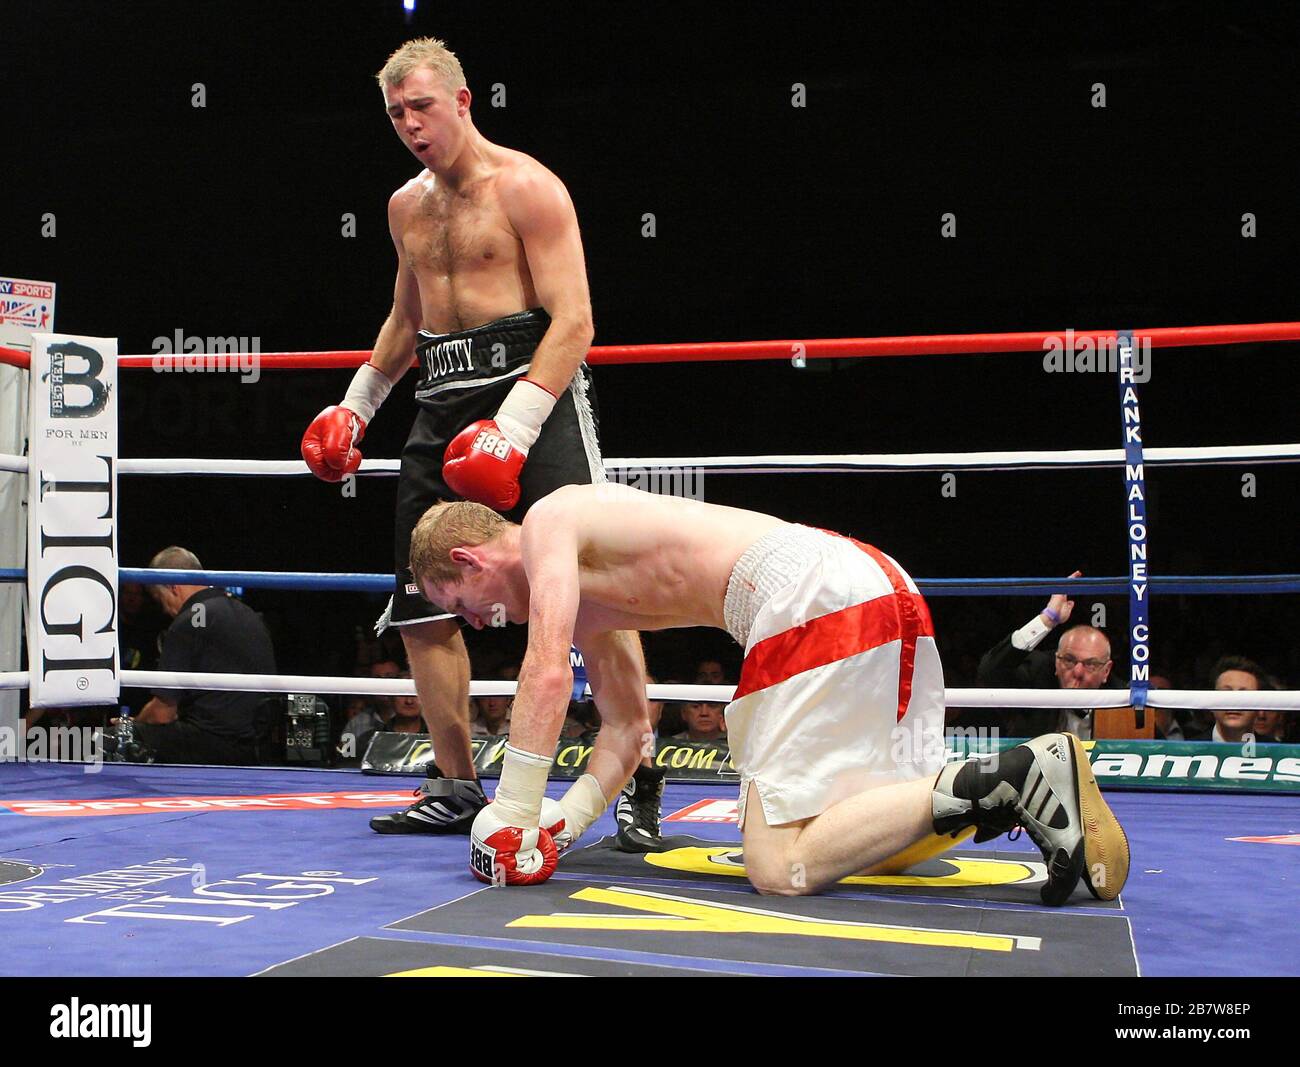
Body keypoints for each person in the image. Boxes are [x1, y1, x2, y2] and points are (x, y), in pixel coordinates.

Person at [409, 486, 1130, 905]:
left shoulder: (549, 522)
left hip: (802, 594)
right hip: (874, 581)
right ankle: (1015, 788)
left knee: (779, 866)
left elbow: (544, 672)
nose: (474, 623)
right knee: (864, 840)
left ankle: (1019, 772)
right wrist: (558, 827)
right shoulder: (594, 596)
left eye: (460, 603)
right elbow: (627, 731)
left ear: (470, 559)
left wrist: (510, 810)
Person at [299, 37, 628, 837]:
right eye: (395, 112)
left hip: (532, 394)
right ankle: (458, 786)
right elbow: (405, 321)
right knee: (421, 603)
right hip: (441, 402)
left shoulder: (528, 188)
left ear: (462, 101)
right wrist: (357, 404)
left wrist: (514, 428)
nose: (410, 124)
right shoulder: (404, 206)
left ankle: (636, 770)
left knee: (588, 593)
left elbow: (576, 319)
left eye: (422, 106)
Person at [133, 547, 277, 765]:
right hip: (257, 744)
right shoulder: (249, 614)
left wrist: (131, 725)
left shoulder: (189, 620)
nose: (164, 610)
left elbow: (163, 714)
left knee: (110, 739)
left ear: (173, 587)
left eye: (159, 599)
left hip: (209, 743)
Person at [977, 571, 1121, 738]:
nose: (1078, 672)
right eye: (1069, 660)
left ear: (1106, 671)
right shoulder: (1038, 677)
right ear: (1056, 661)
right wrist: (1047, 619)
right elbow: (989, 671)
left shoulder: (1122, 700)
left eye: (1090, 664)